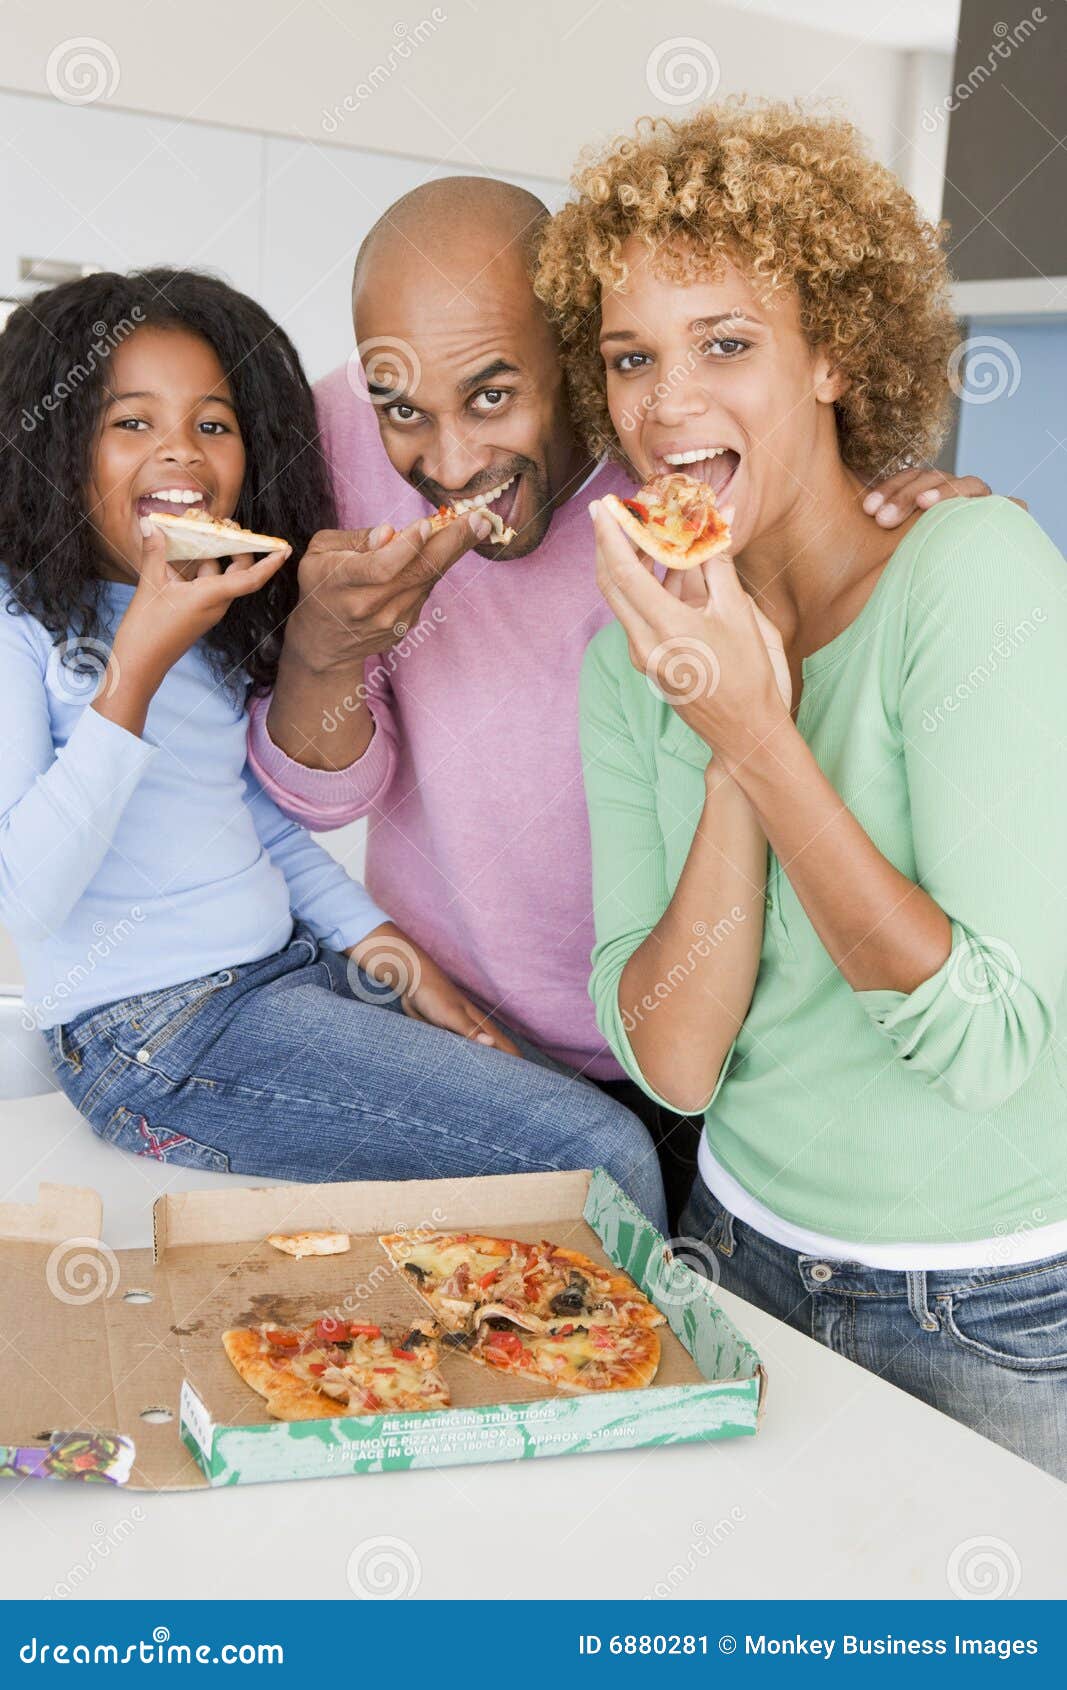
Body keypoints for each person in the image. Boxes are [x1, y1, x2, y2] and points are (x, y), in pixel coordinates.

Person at [248, 174, 994, 1227]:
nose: (450, 457)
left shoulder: (691, 479)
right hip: (457, 1038)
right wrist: (321, 654)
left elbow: (834, 580)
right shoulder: (336, 436)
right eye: (404, 408)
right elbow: (314, 798)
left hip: (713, 1055)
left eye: (493, 396)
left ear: (579, 361)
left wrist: (929, 513)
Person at [535, 101, 1067, 1478]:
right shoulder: (626, 670)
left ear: (832, 352)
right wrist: (722, 736)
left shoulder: (970, 577)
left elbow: (989, 1040)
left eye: (725, 343)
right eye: (630, 358)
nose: (667, 404)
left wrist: (765, 738)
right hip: (731, 1259)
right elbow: (674, 1058)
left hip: (983, 1313)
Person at [0, 266, 668, 1231]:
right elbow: (27, 896)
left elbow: (258, 830)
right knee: (596, 1152)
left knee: (543, 1086)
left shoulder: (206, 607)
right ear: (58, 446)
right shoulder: (23, 621)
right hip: (157, 1037)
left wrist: (411, 972)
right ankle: (638, 1381)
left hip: (284, 973)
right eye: (131, 423)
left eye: (213, 425)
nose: (180, 454)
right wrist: (136, 664)